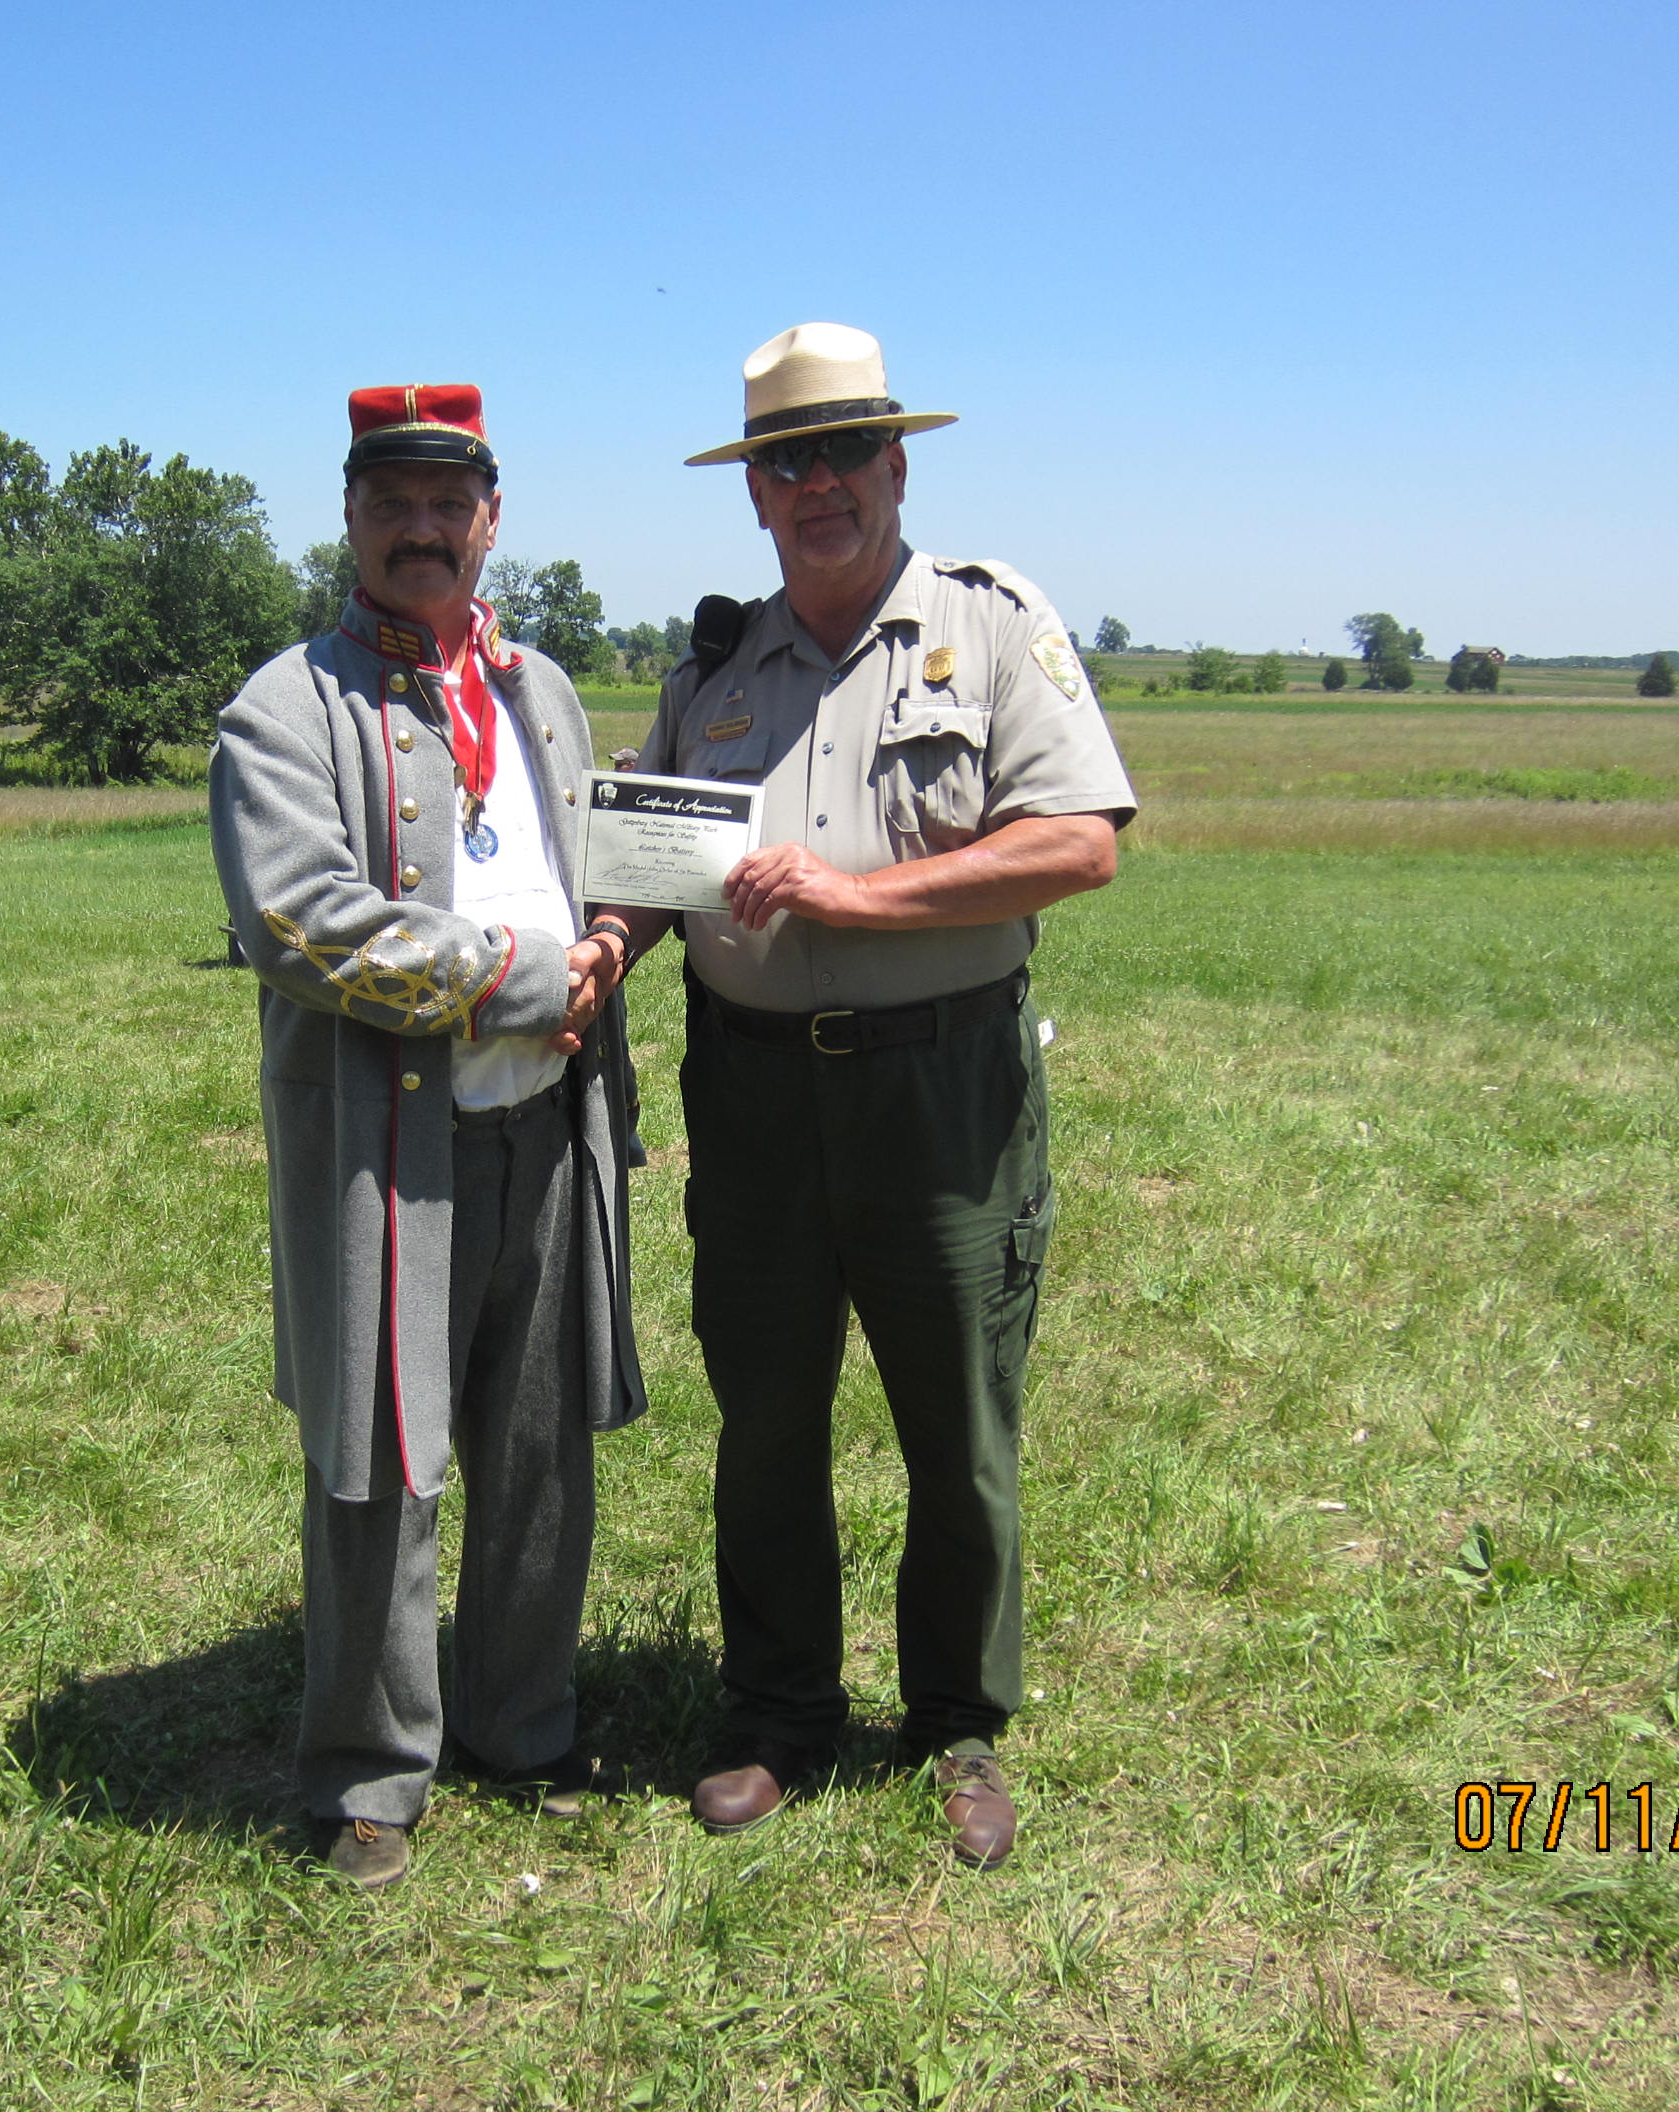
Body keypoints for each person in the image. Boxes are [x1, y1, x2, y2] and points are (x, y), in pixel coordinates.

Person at [586, 324, 1135, 1869]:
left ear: (898, 467)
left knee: (956, 1425)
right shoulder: (711, 670)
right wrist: (599, 950)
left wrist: (851, 899)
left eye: (843, 454)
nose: (817, 484)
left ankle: (956, 1719)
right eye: (785, 461)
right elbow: (641, 871)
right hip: (753, 1101)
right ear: (755, 495)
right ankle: (774, 1713)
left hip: (938, 1097)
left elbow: (1078, 843)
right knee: (765, 1420)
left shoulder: (991, 625)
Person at [210, 384, 647, 1889]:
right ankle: (368, 1774)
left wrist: (605, 944)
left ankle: (521, 1722)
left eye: (446, 503)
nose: (420, 528)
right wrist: (533, 974)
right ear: (348, 516)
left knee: (538, 1449)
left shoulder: (543, 693)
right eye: (388, 499)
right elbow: (304, 924)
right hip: (388, 1152)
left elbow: (592, 859)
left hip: (547, 1125)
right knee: (384, 1460)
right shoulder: (286, 712)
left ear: (491, 519)